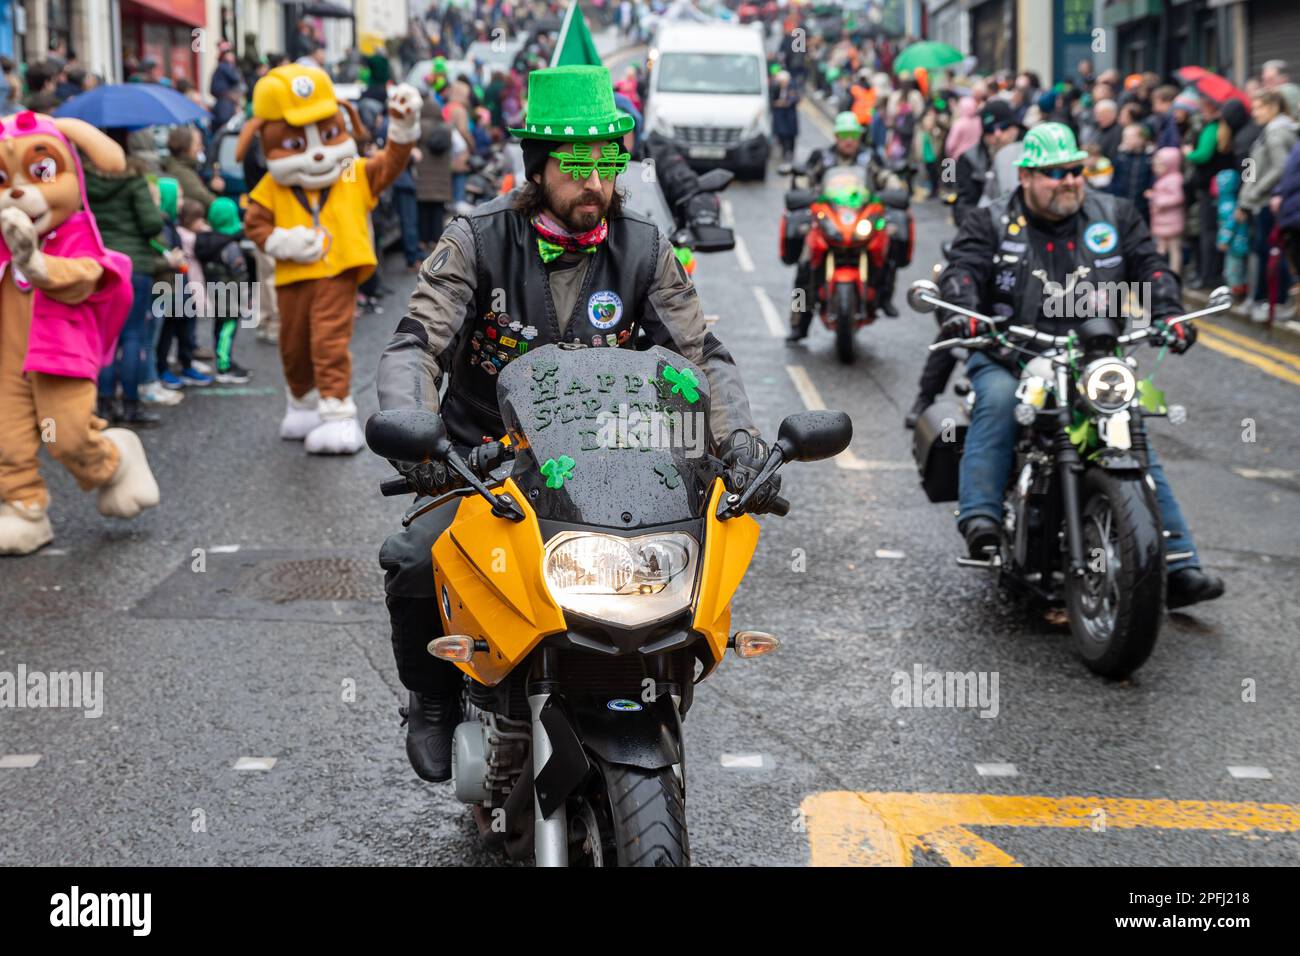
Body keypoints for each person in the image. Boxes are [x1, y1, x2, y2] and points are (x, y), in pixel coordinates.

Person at [373, 64, 775, 783]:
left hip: (617, 463)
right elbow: (415, 343)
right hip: (485, 466)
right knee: (410, 558)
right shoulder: (475, 238)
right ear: (538, 167)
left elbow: (700, 353)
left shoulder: (646, 247)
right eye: (578, 165)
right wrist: (412, 433)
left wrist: (738, 445)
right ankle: (430, 699)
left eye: (609, 164)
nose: (596, 182)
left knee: (692, 563)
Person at [935, 122, 1224, 610]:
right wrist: (962, 313)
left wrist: (1169, 312)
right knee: (1000, 400)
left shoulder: (1115, 215)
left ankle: (1175, 562)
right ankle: (980, 516)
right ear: (1026, 176)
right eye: (1055, 173)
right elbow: (963, 271)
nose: (1069, 180)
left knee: (1129, 423)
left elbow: (1150, 266)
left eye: (1075, 170)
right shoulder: (989, 222)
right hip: (1013, 351)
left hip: (1092, 358)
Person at [787, 111, 907, 340]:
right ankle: (798, 323)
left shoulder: (870, 158)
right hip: (828, 219)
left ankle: (886, 298)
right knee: (804, 269)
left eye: (853, 135)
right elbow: (805, 178)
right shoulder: (821, 157)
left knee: (889, 250)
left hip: (862, 218)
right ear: (836, 136)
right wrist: (803, 191)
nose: (849, 140)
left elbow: (886, 176)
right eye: (844, 135)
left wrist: (893, 188)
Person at [1237, 90, 1297, 320]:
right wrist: (1246, 195)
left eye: (1258, 108)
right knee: (1264, 250)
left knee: (1270, 251)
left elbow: (1281, 168)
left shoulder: (1276, 133)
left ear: (1272, 107)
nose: (1254, 113)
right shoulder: (1270, 131)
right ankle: (1263, 300)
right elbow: (1252, 166)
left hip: (1268, 201)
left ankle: (1274, 302)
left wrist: (1257, 190)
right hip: (1261, 200)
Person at [195, 198, 253, 383]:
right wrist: (247, 296)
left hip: (215, 293)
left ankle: (224, 360)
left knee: (219, 329)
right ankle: (224, 366)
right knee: (228, 329)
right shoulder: (230, 246)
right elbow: (240, 273)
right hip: (230, 296)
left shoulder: (204, 242)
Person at [1147, 146, 1185, 274]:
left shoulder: (1175, 179)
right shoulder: (1163, 179)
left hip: (1172, 221)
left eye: (1160, 165)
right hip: (1161, 221)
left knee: (1174, 248)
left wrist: (1158, 200)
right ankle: (1159, 271)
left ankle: (1175, 273)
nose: (1156, 169)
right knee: (1160, 247)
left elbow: (1178, 197)